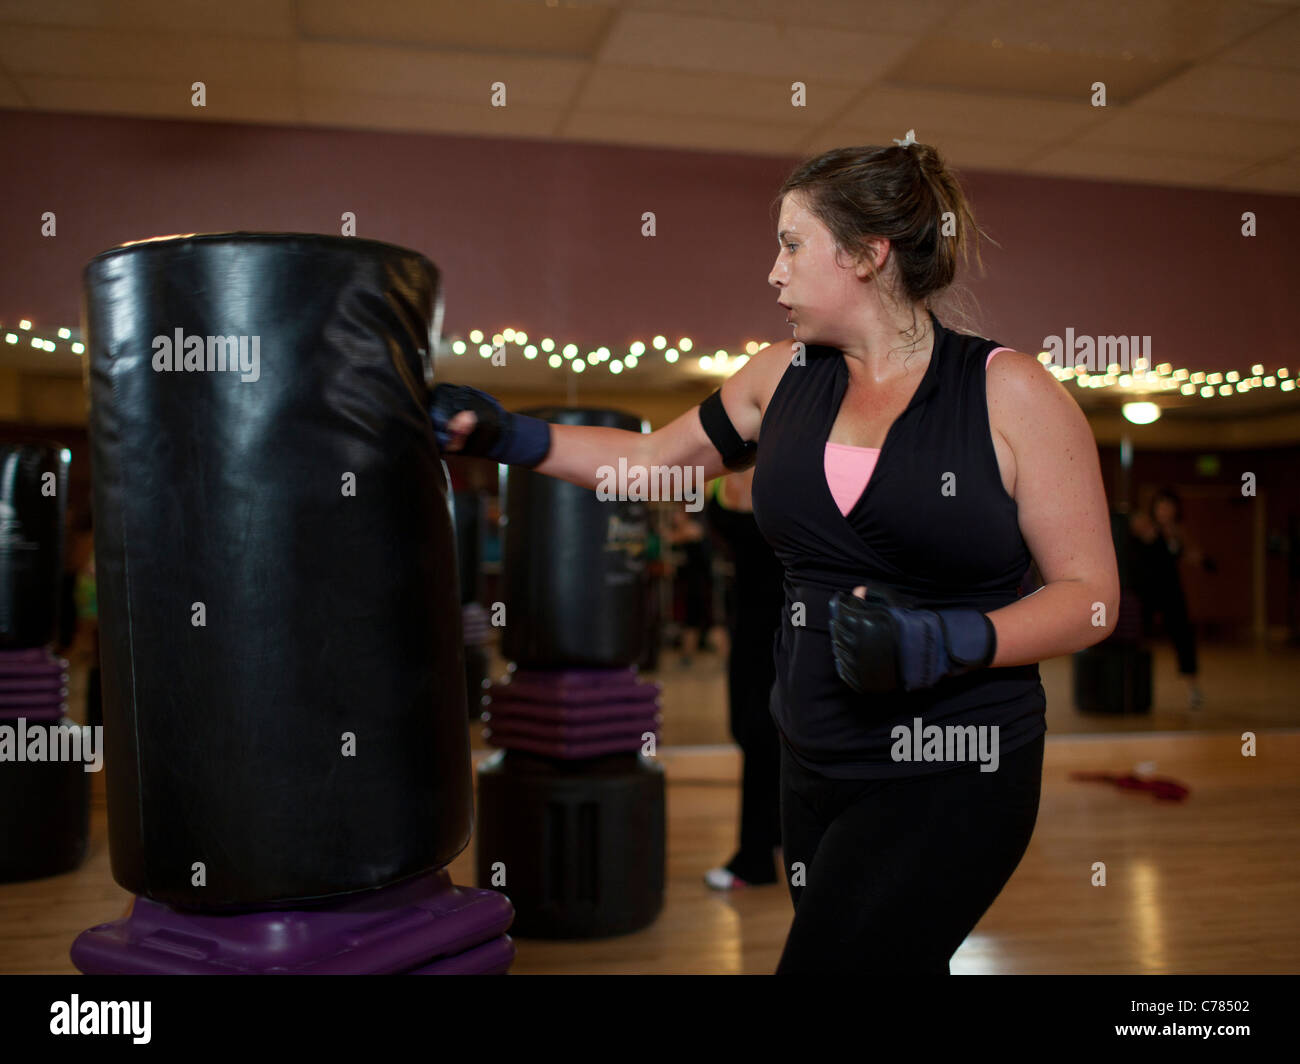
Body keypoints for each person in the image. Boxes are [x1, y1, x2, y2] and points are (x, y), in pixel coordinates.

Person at [430, 134, 1120, 973]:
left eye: (793, 245)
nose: (774, 271)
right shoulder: (780, 377)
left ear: (867, 255)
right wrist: (508, 434)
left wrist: (951, 640)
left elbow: (1090, 597)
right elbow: (653, 465)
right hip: (814, 758)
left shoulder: (1008, 392)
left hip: (955, 762)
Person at [703, 468, 785, 889]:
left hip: (791, 619)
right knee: (746, 729)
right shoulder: (718, 474)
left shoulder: (789, 464)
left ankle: (753, 862)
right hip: (746, 622)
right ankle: (776, 833)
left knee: (760, 734)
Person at [1129, 489, 1209, 709]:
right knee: (1136, 638)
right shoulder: (1146, 528)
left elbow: (1190, 554)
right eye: (1162, 506)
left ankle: (1193, 689)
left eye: (1170, 506)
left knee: (1183, 636)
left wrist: (1205, 561)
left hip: (1171, 591)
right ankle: (1131, 688)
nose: (1165, 510)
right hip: (1145, 592)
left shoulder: (1177, 533)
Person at [665, 505, 715, 666]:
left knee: (697, 620)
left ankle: (689, 654)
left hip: (699, 585)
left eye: (677, 513)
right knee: (691, 620)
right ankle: (688, 654)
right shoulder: (687, 530)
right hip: (690, 584)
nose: (674, 517)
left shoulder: (692, 529)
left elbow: (673, 538)